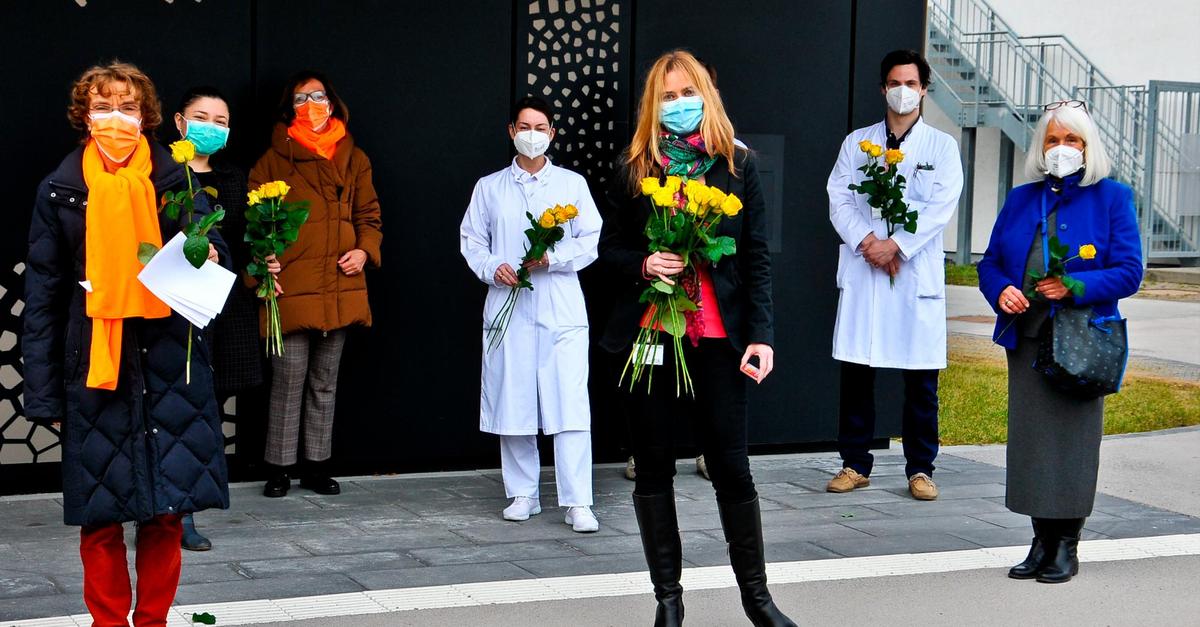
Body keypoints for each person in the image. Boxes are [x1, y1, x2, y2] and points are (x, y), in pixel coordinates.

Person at [23, 61, 230, 627]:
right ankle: (109, 622)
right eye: (103, 106)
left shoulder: (177, 181)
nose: (115, 117)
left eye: (127, 107)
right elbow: (42, 295)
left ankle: (154, 620)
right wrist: (43, 392)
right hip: (96, 364)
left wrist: (210, 252)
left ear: (147, 116)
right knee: (100, 515)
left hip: (168, 360)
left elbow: (217, 252)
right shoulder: (61, 190)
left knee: (166, 512)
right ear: (84, 115)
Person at [599, 49, 794, 627]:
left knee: (731, 469)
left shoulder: (737, 165)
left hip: (716, 338)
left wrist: (761, 335)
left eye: (688, 93)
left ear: (706, 96)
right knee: (653, 467)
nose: (679, 104)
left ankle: (757, 601)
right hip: (651, 335)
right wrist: (644, 263)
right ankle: (669, 601)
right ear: (652, 106)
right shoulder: (634, 169)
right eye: (668, 96)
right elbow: (607, 250)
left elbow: (756, 257)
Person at [977, 100, 1142, 583]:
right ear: (1041, 146)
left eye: (1072, 139)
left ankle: (1067, 543)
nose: (1062, 147)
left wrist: (1075, 286)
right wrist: (1000, 290)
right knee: (1033, 444)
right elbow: (990, 263)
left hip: (1082, 341)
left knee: (1072, 444)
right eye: (1053, 139)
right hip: (1028, 337)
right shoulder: (1021, 199)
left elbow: (1130, 272)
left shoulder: (1113, 197)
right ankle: (1040, 540)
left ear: (1088, 148)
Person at [824, 49, 963, 501]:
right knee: (856, 373)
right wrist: (868, 242)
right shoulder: (857, 143)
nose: (902, 91)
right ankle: (854, 463)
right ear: (883, 88)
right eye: (895, 83)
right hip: (866, 268)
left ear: (924, 89)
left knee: (920, 380)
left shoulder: (941, 147)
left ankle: (921, 469)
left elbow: (940, 206)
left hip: (912, 270)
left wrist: (897, 245)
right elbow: (839, 198)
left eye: (911, 84)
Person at [460, 96, 602, 533]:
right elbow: (472, 240)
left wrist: (551, 257)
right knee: (514, 398)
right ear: (511, 131)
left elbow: (590, 240)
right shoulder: (489, 187)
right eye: (525, 126)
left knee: (569, 403)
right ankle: (523, 493)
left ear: (552, 133)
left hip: (560, 307)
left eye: (541, 127)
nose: (532, 135)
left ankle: (577, 501)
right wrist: (493, 267)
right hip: (509, 304)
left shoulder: (571, 185)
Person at [249, 71, 382, 498]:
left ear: (332, 102)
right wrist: (262, 266)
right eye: (301, 98)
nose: (312, 105)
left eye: (319, 96)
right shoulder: (272, 160)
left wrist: (364, 251)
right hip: (290, 287)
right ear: (289, 109)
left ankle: (317, 465)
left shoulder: (354, 157)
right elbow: (254, 226)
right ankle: (279, 468)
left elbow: (369, 216)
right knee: (288, 380)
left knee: (325, 381)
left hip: (340, 286)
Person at [169, 85, 262, 550]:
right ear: (179, 122)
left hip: (227, 310)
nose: (211, 127)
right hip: (176, 309)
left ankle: (189, 503)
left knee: (210, 410)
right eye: (201, 117)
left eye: (221, 121)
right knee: (177, 410)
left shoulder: (235, 177)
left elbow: (246, 245)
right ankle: (175, 516)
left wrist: (261, 264)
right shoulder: (163, 176)